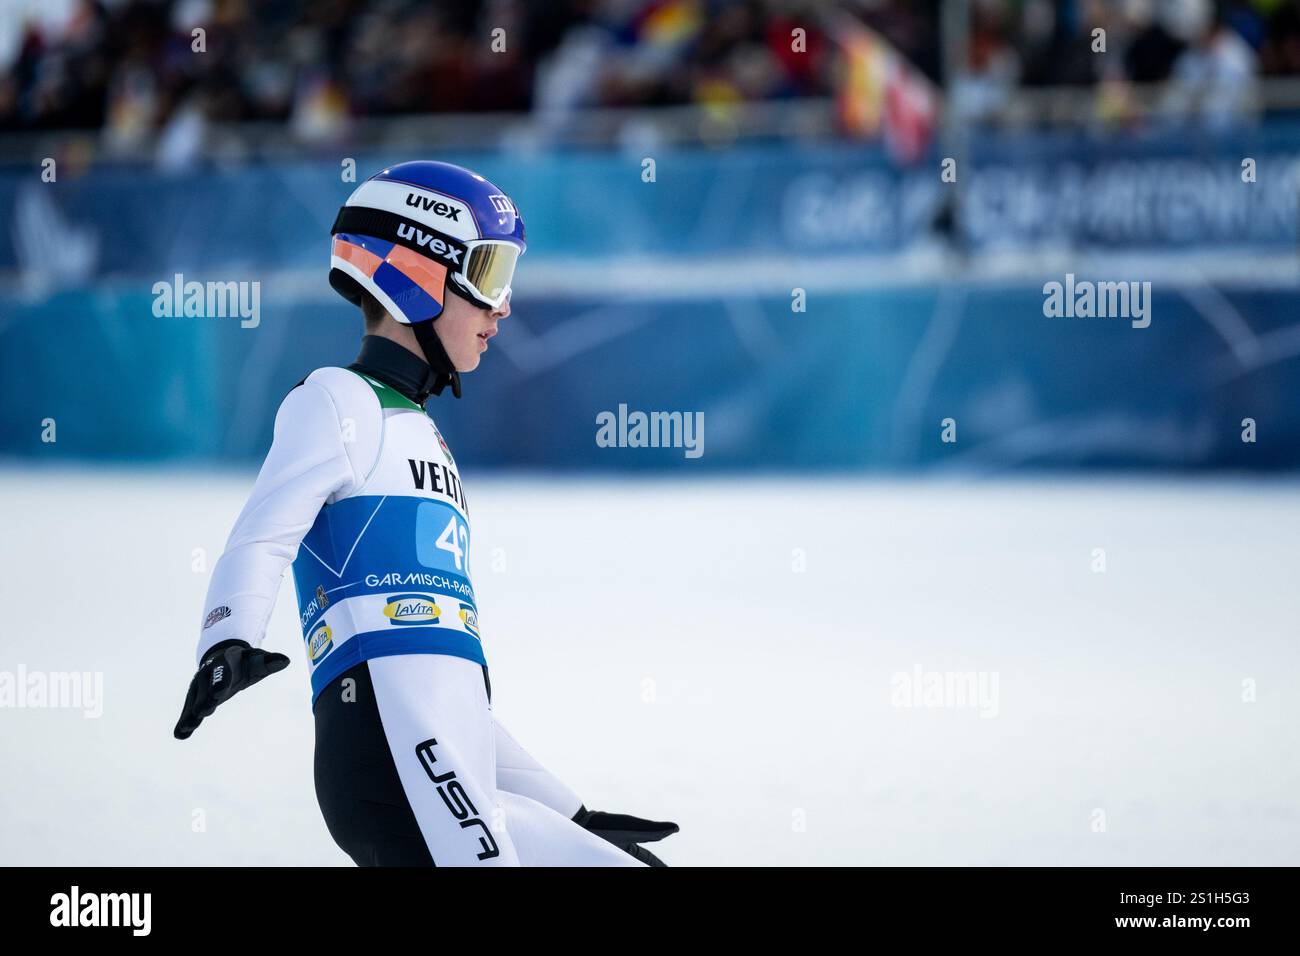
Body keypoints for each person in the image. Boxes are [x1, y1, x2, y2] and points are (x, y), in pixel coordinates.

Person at [173, 160, 677, 866]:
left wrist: (574, 813)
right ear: (417, 272)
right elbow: (261, 535)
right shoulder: (338, 399)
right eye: (491, 276)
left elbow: (451, 690)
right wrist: (226, 638)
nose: (503, 309)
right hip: (390, 761)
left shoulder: (425, 435)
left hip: (438, 756)